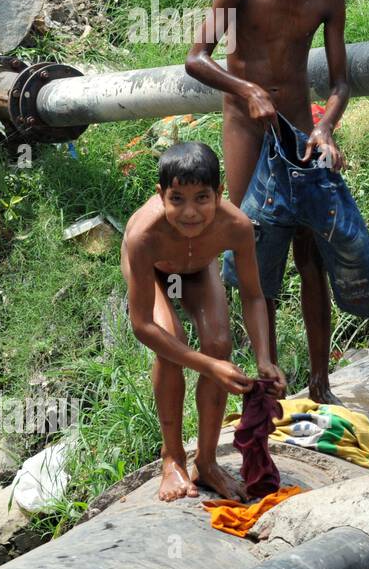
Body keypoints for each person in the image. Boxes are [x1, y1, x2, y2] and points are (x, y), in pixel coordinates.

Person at [186, 0, 369, 405]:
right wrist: (246, 89)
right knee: (257, 251)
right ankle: (268, 380)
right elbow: (197, 58)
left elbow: (342, 82)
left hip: (299, 128)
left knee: (312, 254)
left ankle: (321, 379)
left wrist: (325, 128)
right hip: (246, 127)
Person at [121, 142, 284, 502]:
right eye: (177, 199)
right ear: (161, 196)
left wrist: (263, 359)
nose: (190, 212)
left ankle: (207, 462)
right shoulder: (144, 236)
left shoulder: (236, 225)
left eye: (202, 198)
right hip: (154, 273)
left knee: (219, 344)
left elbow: (254, 295)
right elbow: (142, 326)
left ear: (219, 194)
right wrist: (211, 367)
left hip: (197, 271)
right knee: (170, 341)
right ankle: (172, 458)